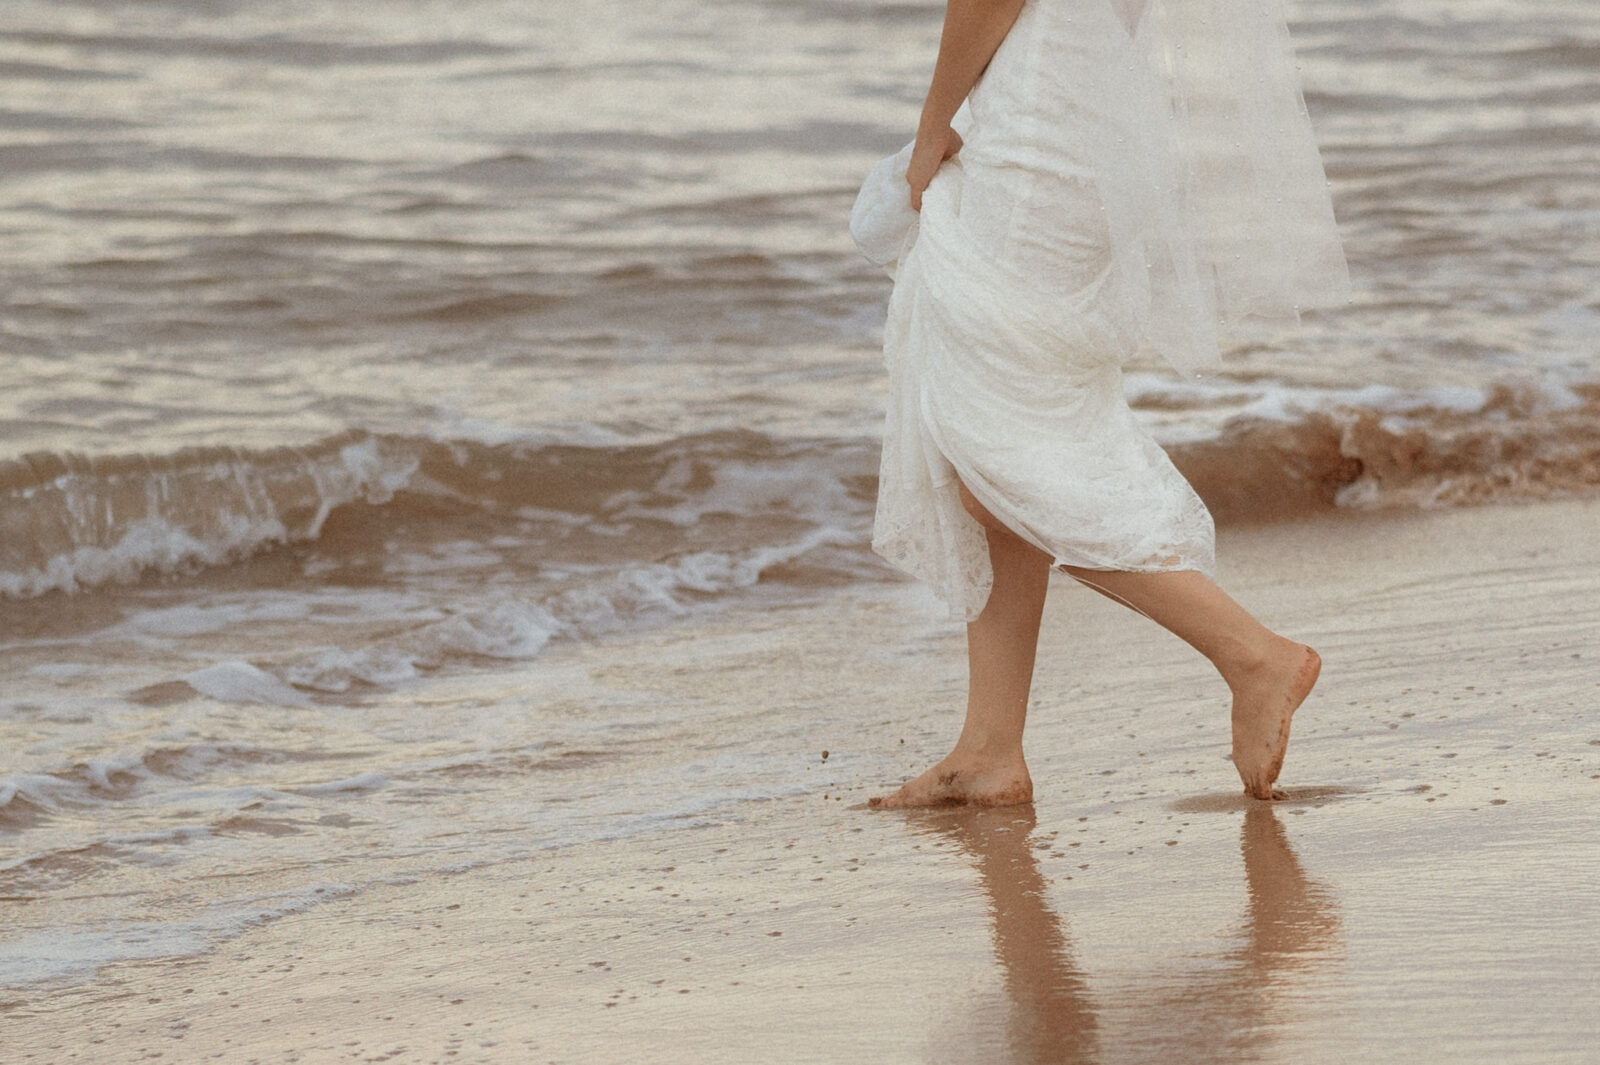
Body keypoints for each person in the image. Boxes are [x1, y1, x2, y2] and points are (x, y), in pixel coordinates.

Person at [856, 0, 1350, 807]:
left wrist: (928, 134)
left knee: (994, 459)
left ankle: (1253, 655)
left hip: (1038, 144)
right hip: (1088, 132)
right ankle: (989, 746)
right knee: (1010, 440)